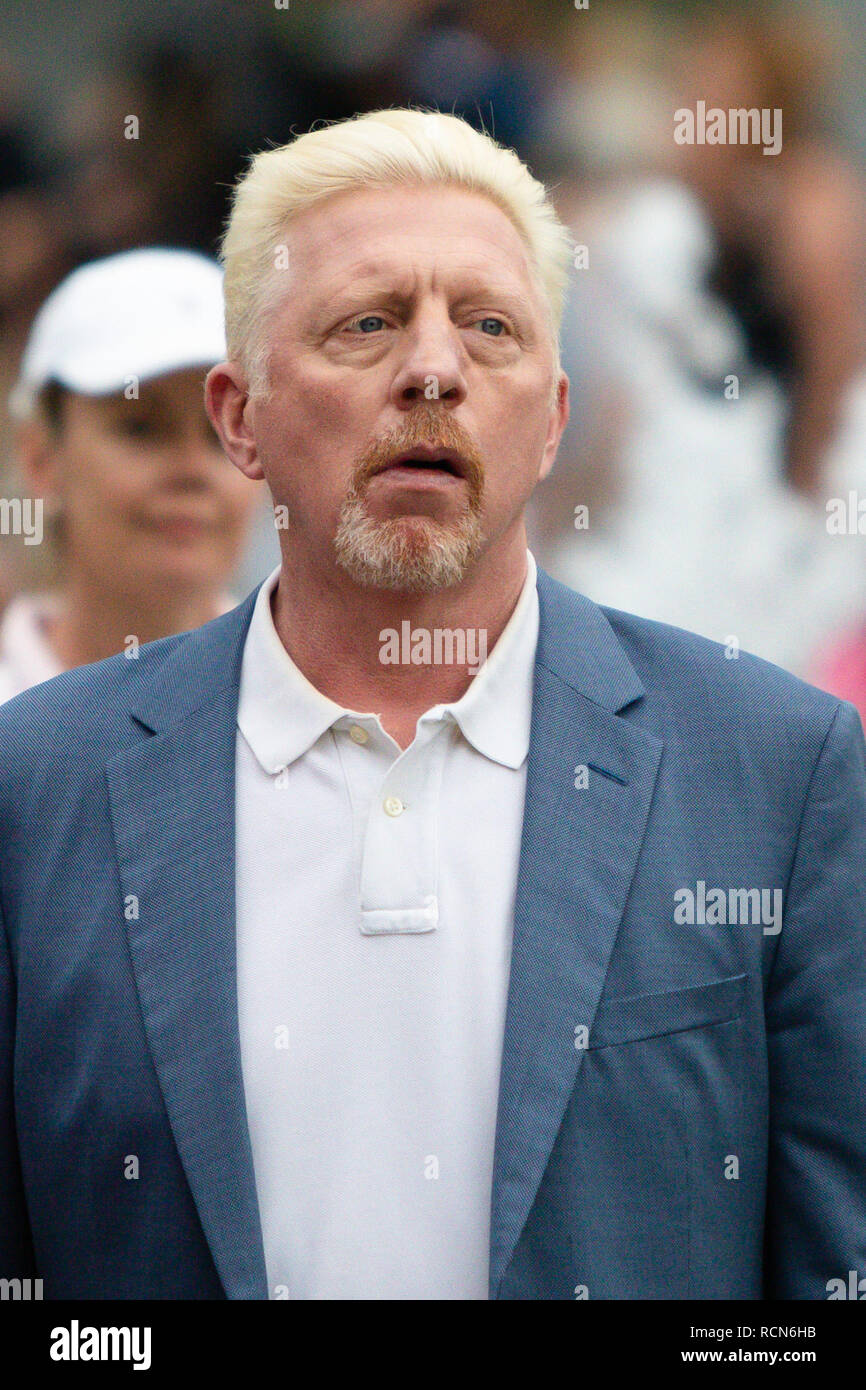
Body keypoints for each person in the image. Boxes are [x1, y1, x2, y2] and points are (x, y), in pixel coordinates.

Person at [0, 109, 864, 1300]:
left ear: (553, 418)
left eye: (488, 327)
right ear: (239, 415)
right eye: (366, 322)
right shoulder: (37, 780)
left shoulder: (772, 767)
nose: (431, 368)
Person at [0, 248, 260, 701]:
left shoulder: (318, 717)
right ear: (41, 459)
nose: (193, 470)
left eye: (223, 432)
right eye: (141, 428)